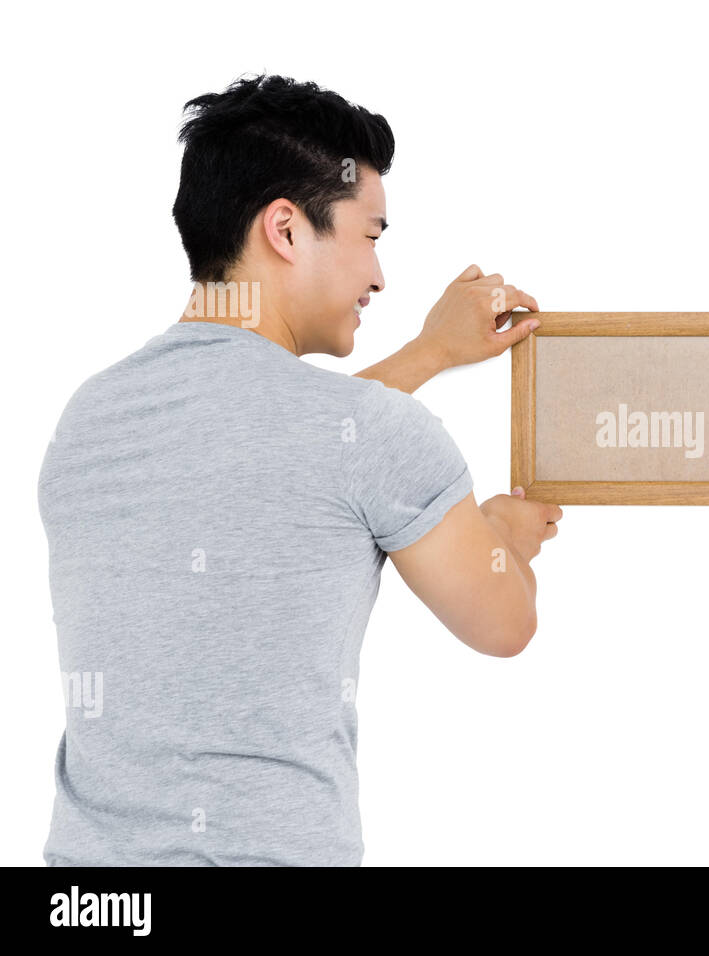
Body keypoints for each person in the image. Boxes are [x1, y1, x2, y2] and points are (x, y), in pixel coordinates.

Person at [38, 75, 561, 866]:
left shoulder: (89, 418)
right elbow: (504, 625)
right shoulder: (375, 436)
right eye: (371, 236)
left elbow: (272, 449)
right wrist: (505, 539)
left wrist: (430, 352)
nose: (379, 276)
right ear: (285, 228)